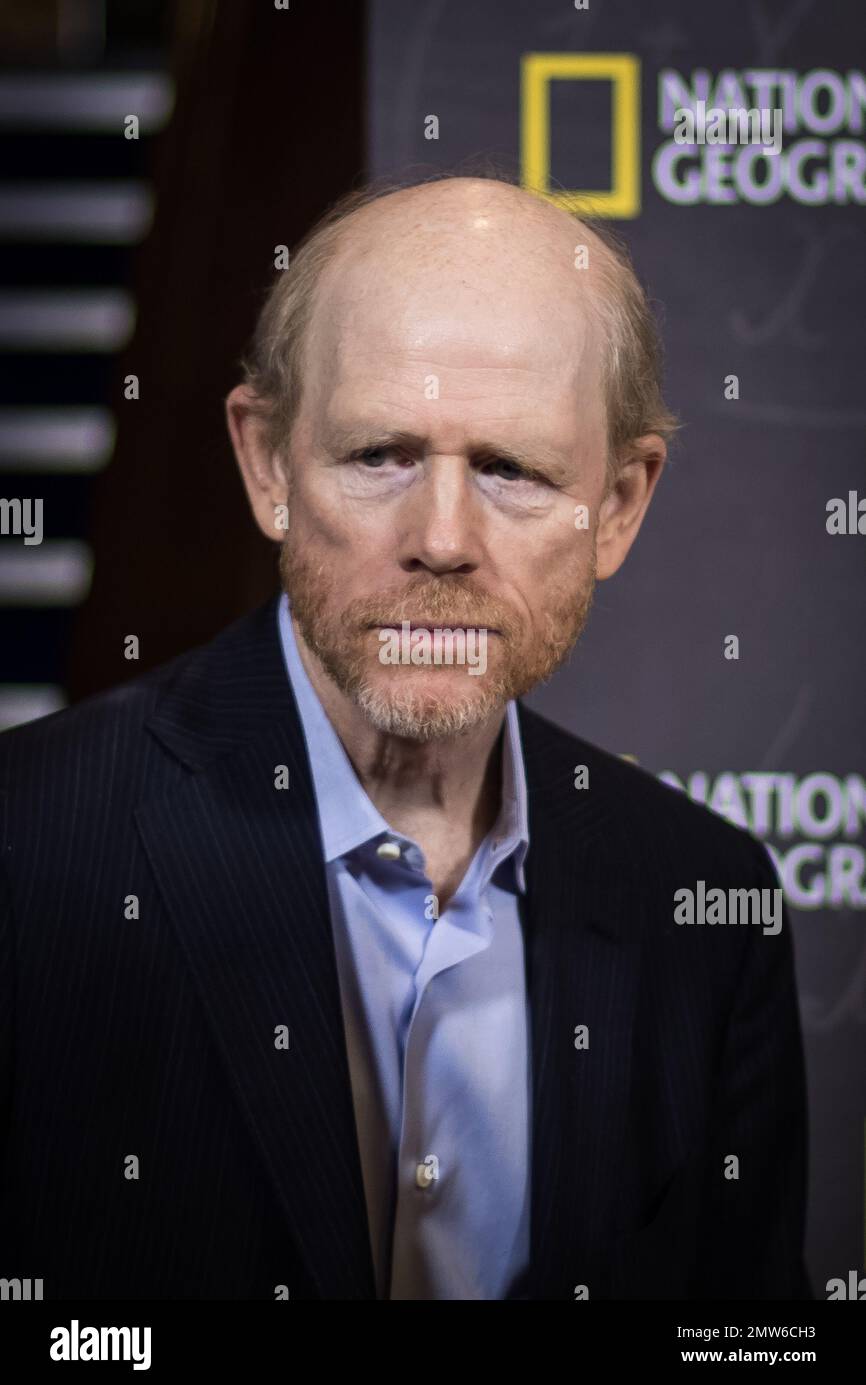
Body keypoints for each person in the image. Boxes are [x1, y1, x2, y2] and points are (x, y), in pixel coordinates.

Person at [0, 174, 810, 1300]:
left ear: (618, 505)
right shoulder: (29, 848)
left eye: (509, 470)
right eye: (379, 454)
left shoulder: (705, 905)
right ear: (267, 464)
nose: (440, 539)